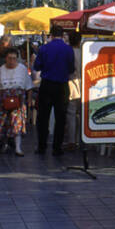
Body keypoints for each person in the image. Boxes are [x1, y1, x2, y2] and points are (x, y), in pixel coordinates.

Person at [32, 25, 76, 156]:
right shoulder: (68, 49)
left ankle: (42, 146)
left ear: (50, 35)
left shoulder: (44, 48)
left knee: (43, 117)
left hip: (47, 84)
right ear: (62, 35)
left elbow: (37, 66)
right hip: (62, 86)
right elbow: (71, 69)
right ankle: (57, 148)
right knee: (60, 118)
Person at [0, 47, 32, 155]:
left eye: (14, 58)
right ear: (5, 59)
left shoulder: (22, 69)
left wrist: (29, 100)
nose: (12, 61)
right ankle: (4, 145)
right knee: (3, 124)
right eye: (10, 58)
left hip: (18, 101)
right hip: (3, 101)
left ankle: (18, 147)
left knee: (17, 124)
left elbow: (29, 86)